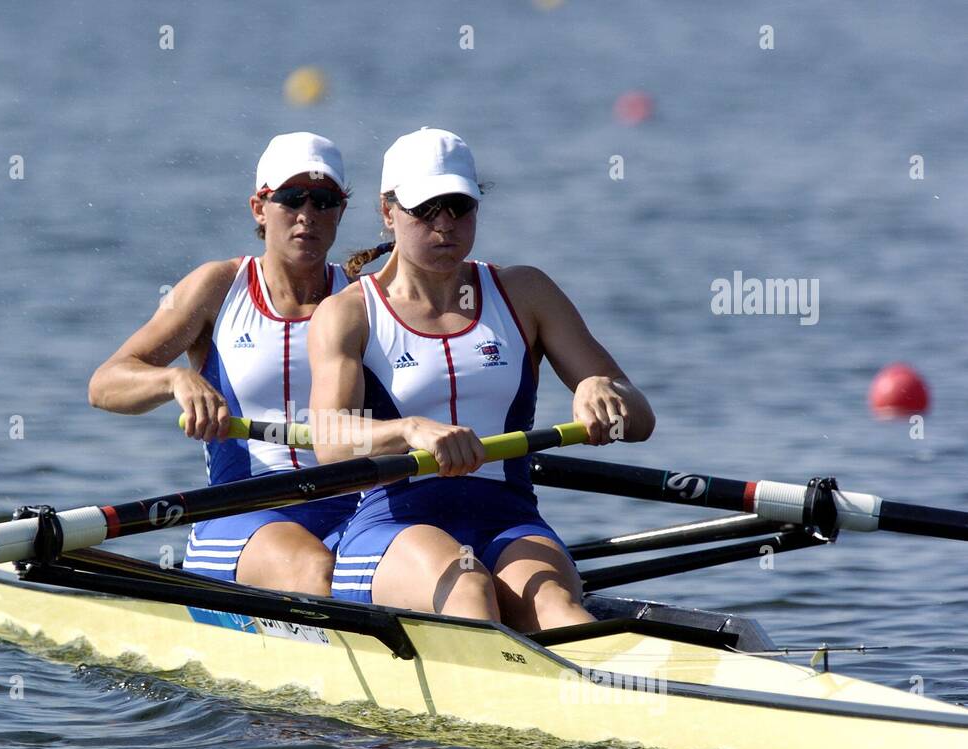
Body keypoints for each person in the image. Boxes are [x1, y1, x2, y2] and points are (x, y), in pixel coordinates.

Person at [308, 128, 655, 631]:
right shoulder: (348, 313)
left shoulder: (526, 292)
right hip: (393, 523)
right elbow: (329, 441)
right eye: (425, 209)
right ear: (388, 212)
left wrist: (601, 389)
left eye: (459, 206)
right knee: (470, 588)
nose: (444, 225)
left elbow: (641, 421)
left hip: (507, 519)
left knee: (559, 609)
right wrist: (408, 431)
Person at [88, 132, 358, 595]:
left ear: (341, 212)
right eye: (291, 198)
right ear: (259, 207)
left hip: (352, 508)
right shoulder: (217, 287)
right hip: (242, 513)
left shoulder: (361, 298)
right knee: (320, 571)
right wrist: (174, 380)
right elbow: (105, 384)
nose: (306, 216)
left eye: (324, 201)